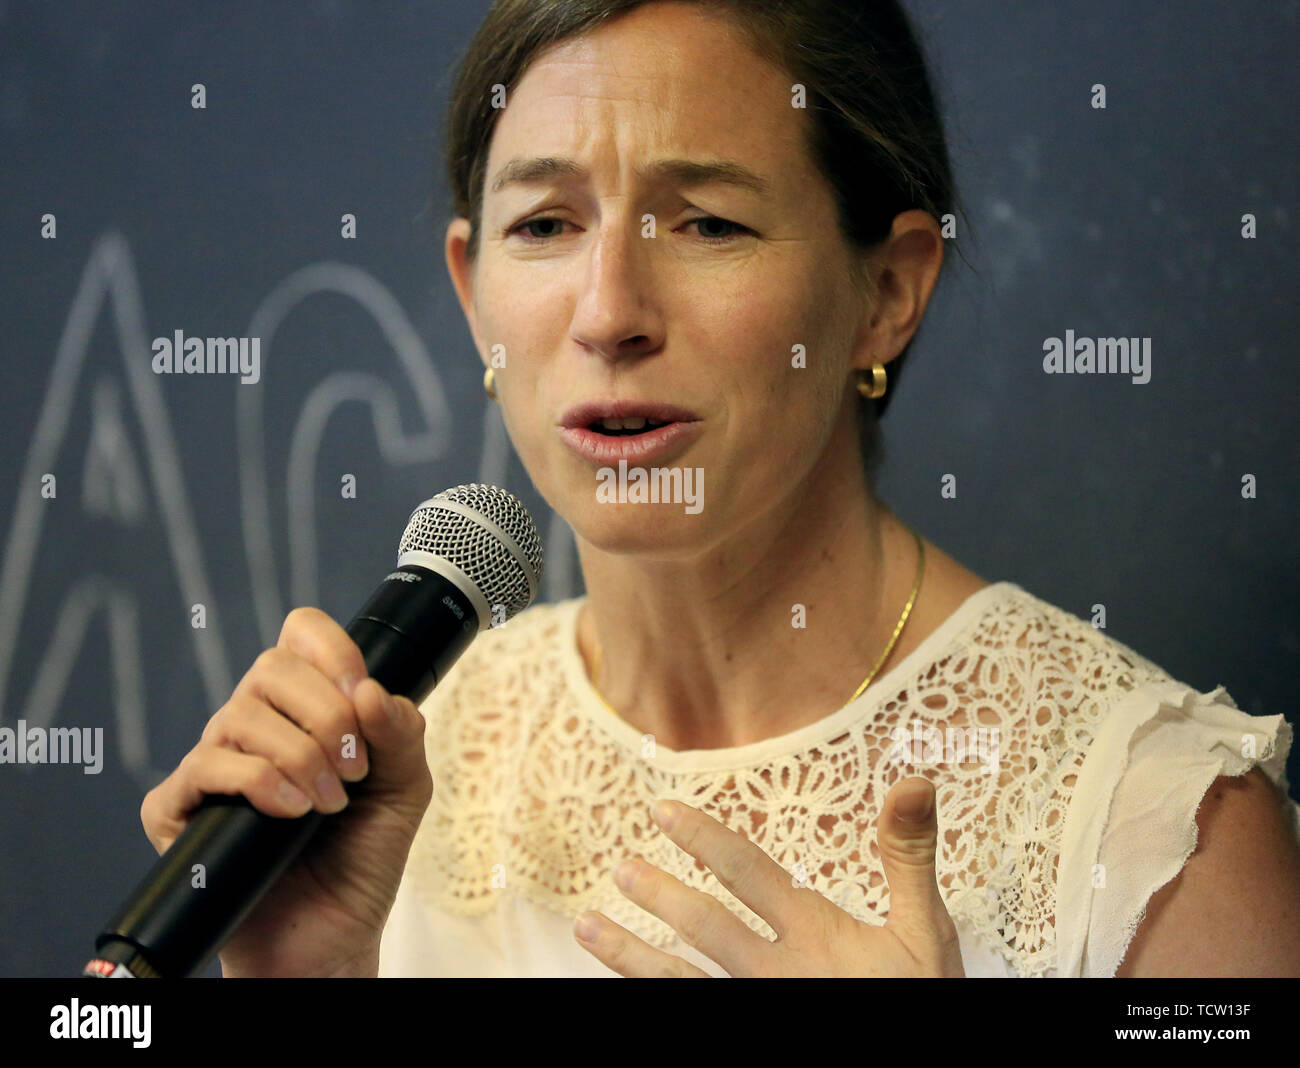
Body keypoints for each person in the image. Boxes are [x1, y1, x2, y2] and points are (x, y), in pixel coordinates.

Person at [141, 0, 1300, 978]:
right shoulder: (395, 761)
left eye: (707, 223)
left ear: (886, 292)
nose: (607, 313)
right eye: (543, 225)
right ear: (470, 290)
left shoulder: (1161, 831)